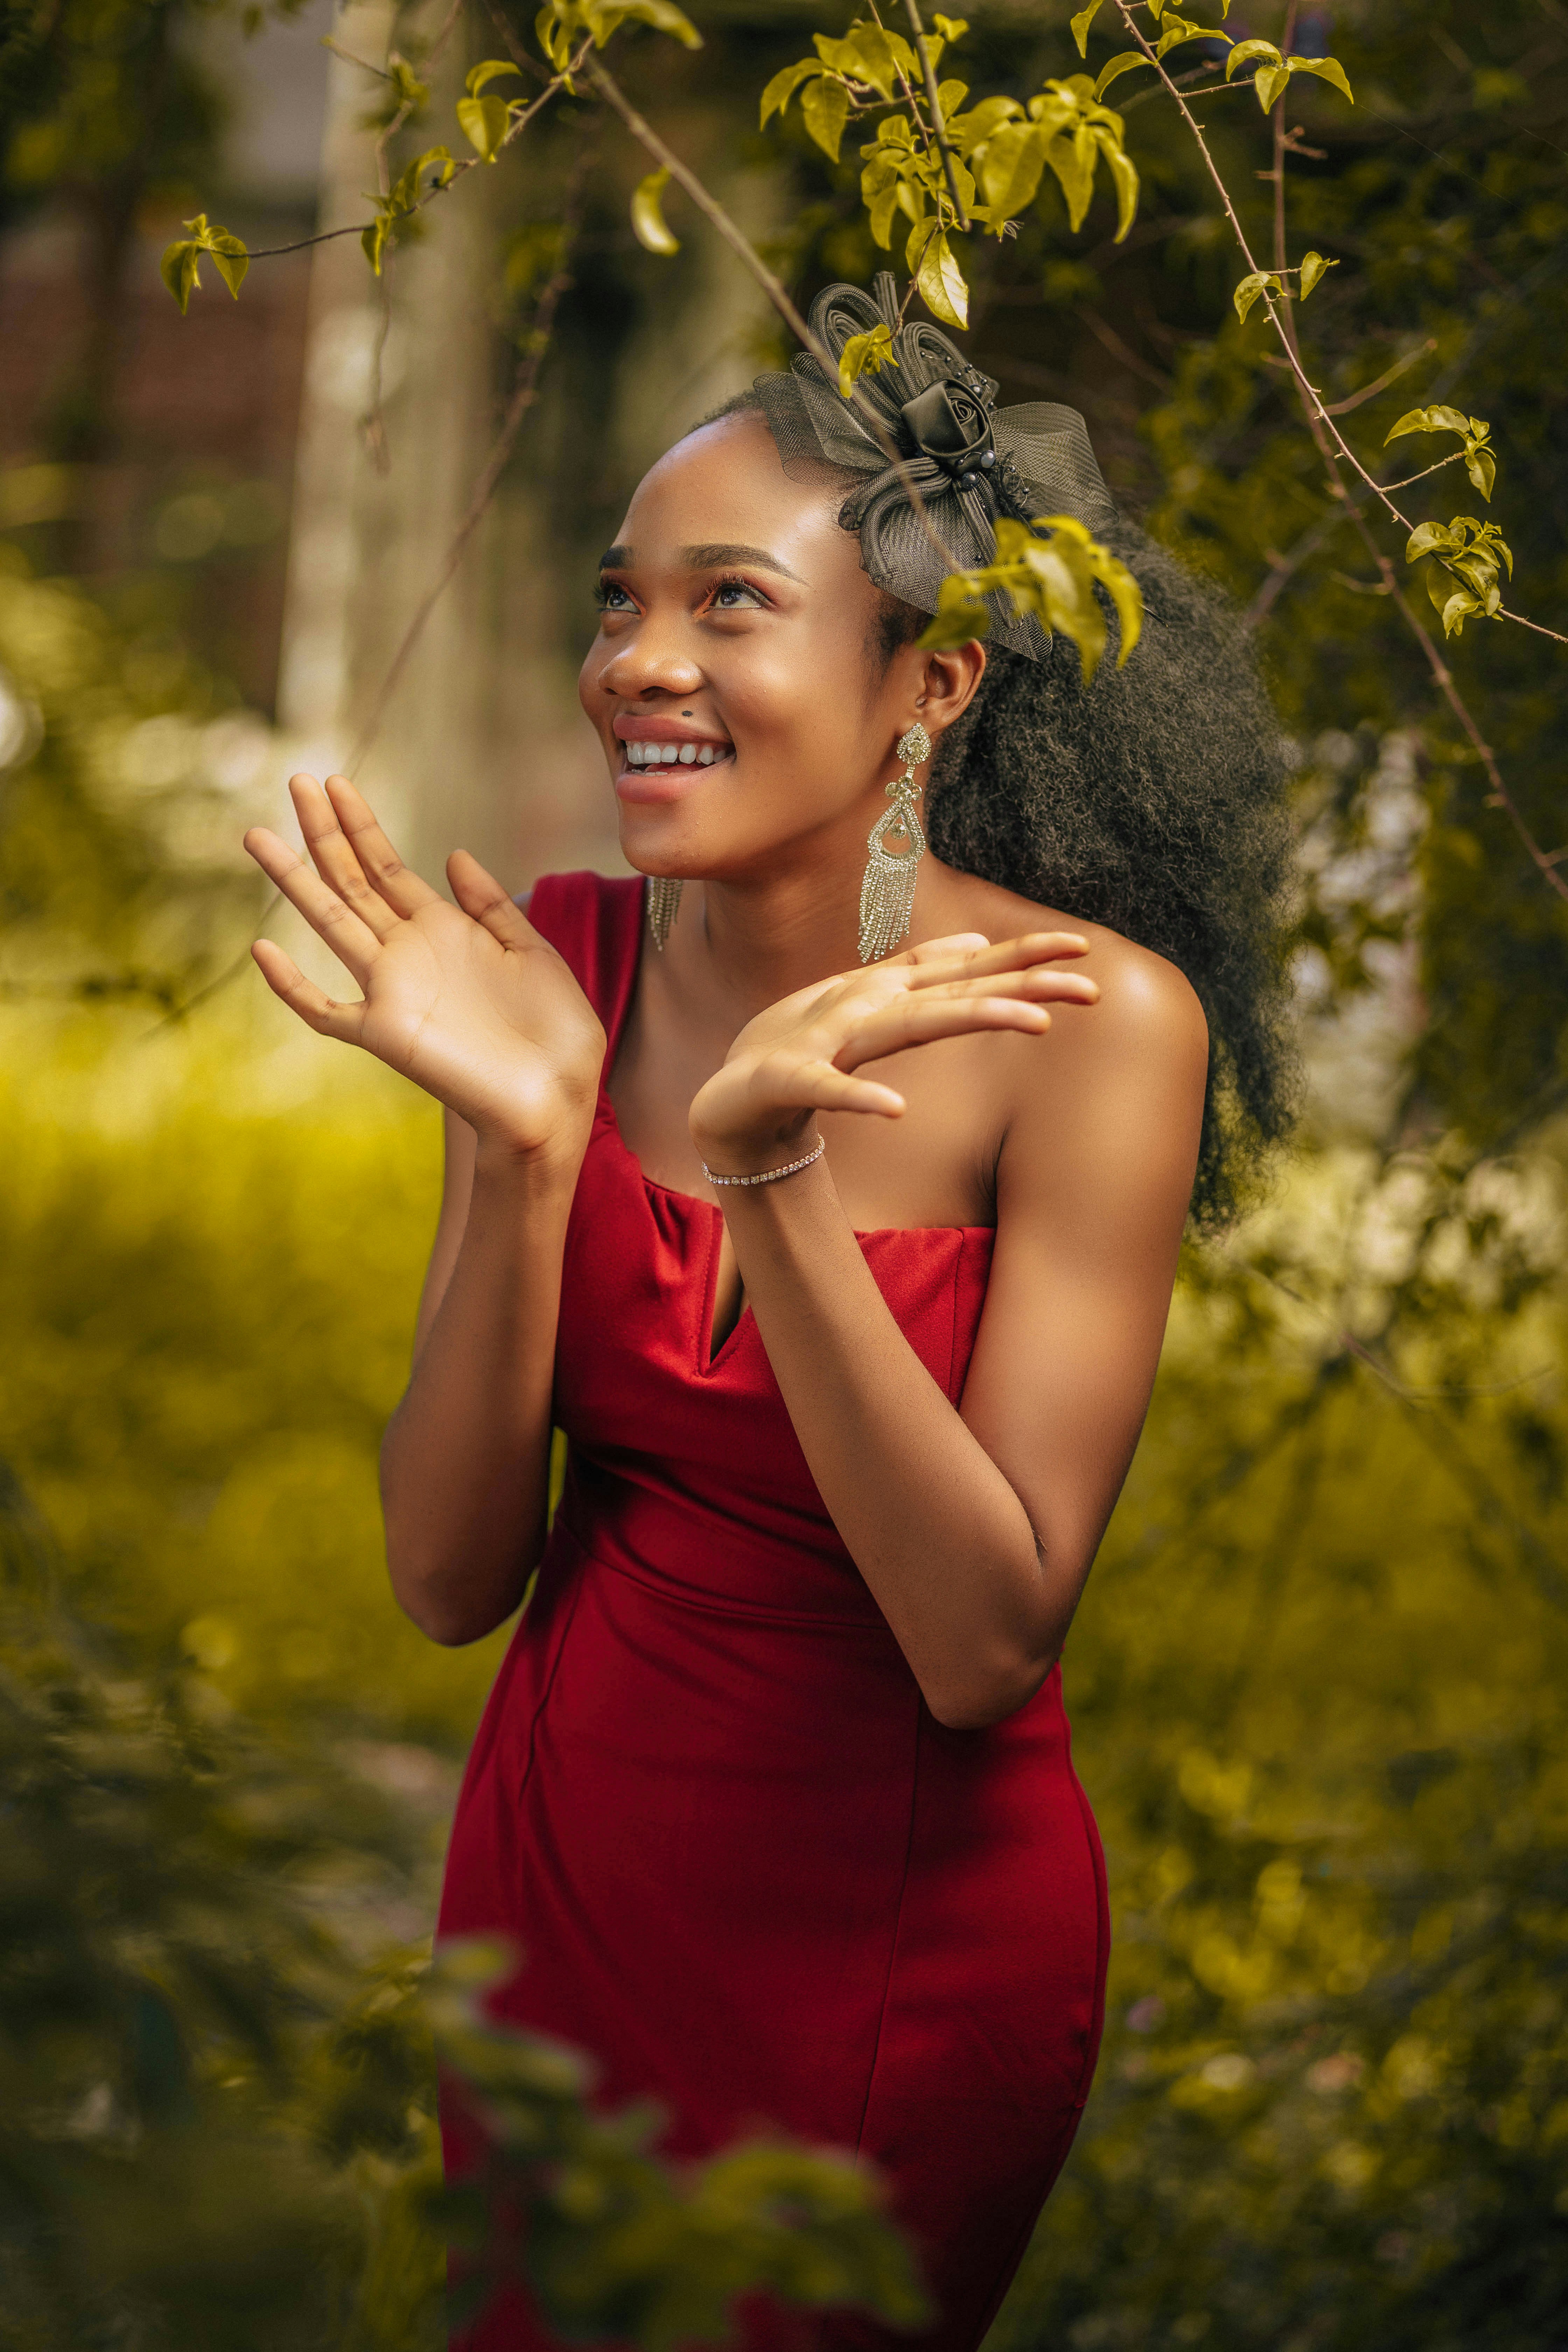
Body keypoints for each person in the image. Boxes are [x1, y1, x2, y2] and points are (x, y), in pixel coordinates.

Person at [242, 276, 1294, 2351]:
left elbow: (987, 1641)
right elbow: (450, 1580)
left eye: (729, 606)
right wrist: (539, 1143)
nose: (638, 662)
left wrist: (773, 1183)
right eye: (620, 602)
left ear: (932, 686)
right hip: (559, 1894)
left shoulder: (1089, 1029)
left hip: (889, 1951)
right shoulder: (558, 966)